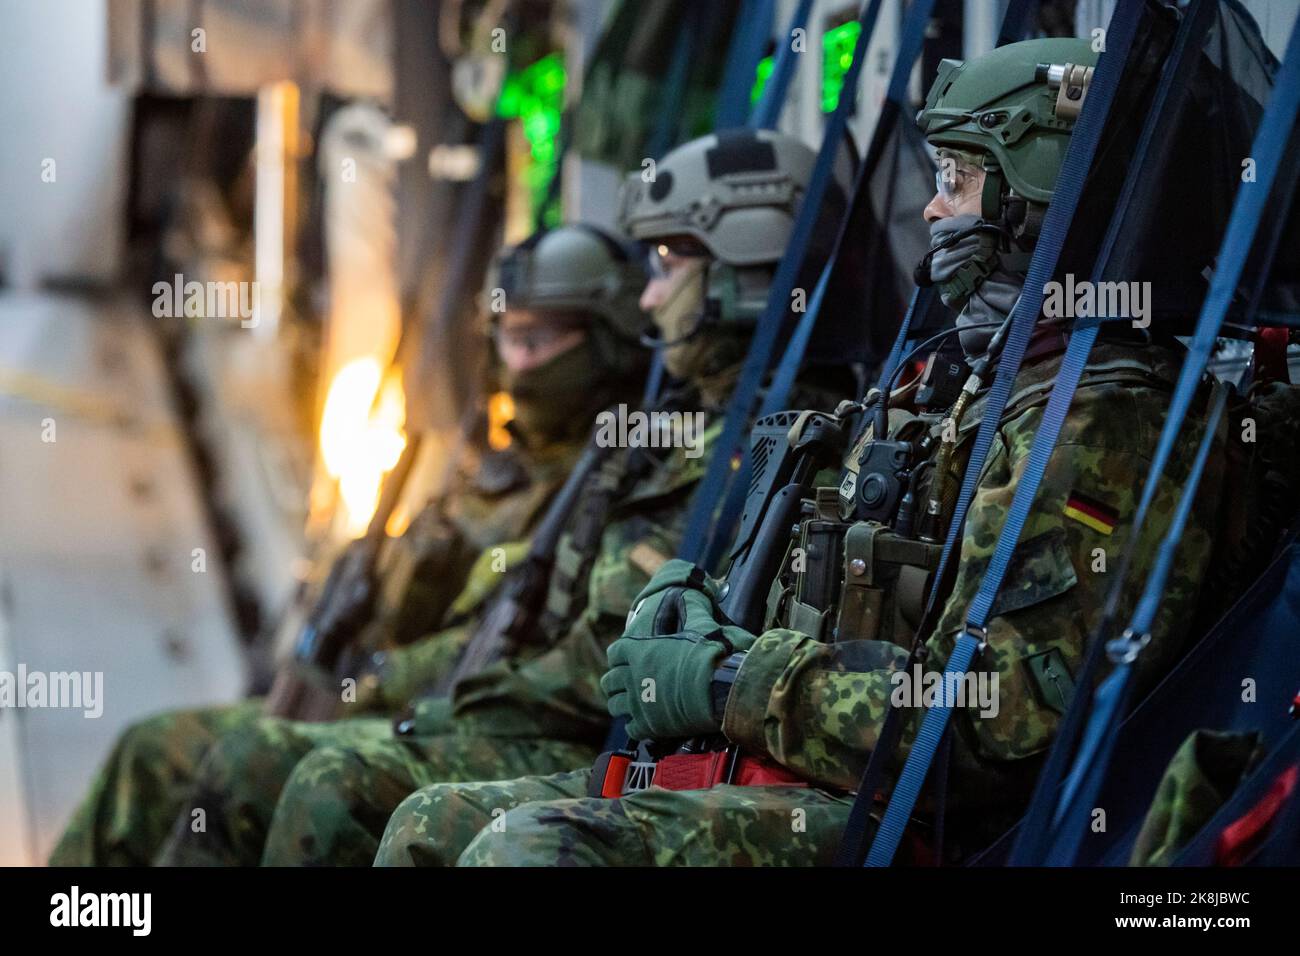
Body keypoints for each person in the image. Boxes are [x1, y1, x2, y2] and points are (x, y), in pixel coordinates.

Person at [374, 37, 1243, 868]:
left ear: (1042, 195)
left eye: (958, 178)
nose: (934, 208)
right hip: (829, 776)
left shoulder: (1105, 422)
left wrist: (727, 681)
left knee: (529, 849)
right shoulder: (973, 384)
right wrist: (712, 618)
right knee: (431, 823)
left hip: (934, 823)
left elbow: (993, 724)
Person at [235, 127, 860, 867]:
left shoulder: (782, 448)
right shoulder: (668, 429)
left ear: (744, 268)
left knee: (340, 783)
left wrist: (440, 699)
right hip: (562, 716)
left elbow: (612, 655)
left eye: (669, 263)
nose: (651, 296)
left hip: (614, 734)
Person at [49, 222, 648, 866]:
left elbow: (550, 649)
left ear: (607, 342)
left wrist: (383, 681)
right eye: (508, 337)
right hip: (387, 693)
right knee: (152, 748)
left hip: (470, 715)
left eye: (539, 340)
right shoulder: (489, 468)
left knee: (269, 770)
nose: (518, 363)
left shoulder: (612, 482)